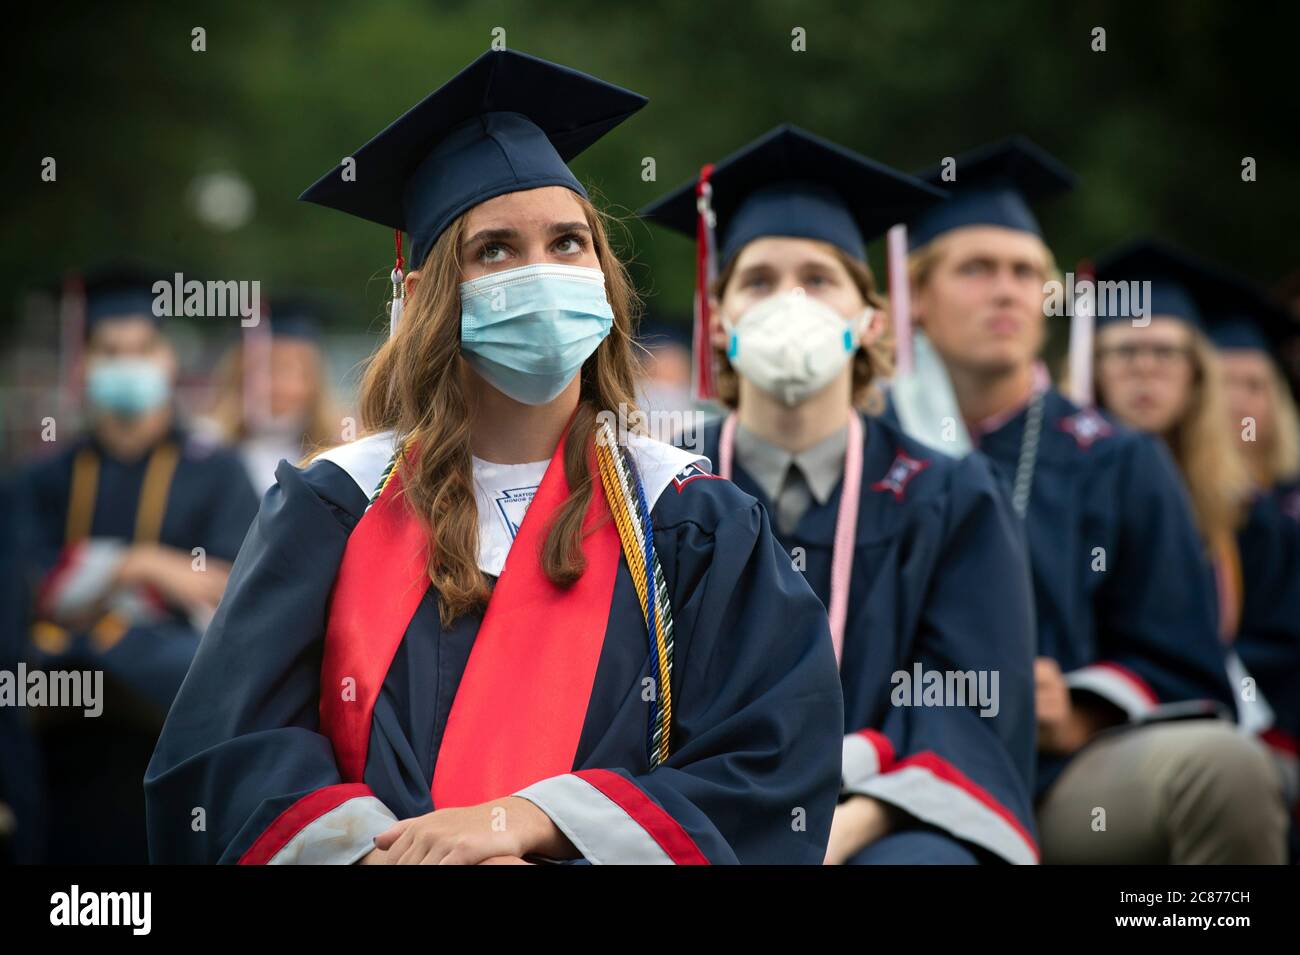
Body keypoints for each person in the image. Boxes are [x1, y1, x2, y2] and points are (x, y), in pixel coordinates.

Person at [144, 50, 844, 866]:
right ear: (435, 297)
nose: (542, 272)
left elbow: (768, 759)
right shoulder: (334, 505)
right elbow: (227, 751)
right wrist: (384, 854)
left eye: (568, 242)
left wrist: (532, 821)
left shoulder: (689, 516)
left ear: (604, 277)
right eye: (497, 250)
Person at [643, 125, 1039, 865]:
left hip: (878, 822)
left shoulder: (949, 497)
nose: (789, 301)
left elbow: (967, 702)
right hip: (687, 819)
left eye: (820, 279)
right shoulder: (658, 488)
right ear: (720, 318)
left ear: (871, 321)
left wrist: (851, 825)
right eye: (759, 281)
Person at [893, 138, 1284, 863]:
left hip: (1059, 776)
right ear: (915, 295)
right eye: (976, 269)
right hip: (893, 768)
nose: (1006, 290)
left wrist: (1077, 708)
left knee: (1222, 769)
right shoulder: (872, 444)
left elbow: (1181, 655)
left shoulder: (1112, 457)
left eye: (1024, 272)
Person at [20, 266, 260, 863]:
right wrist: (146, 567)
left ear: (168, 361)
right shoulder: (43, 478)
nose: (127, 365)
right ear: (83, 366)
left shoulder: (216, 470)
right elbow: (26, 587)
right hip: (63, 742)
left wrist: (114, 570)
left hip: (170, 731)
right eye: (109, 352)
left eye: (142, 349)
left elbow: (243, 587)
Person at [1091, 239, 1298, 854]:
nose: (1145, 368)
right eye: (1125, 351)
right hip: (1096, 734)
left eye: (1165, 353)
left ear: (1195, 374)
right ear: (1093, 365)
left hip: (1226, 731)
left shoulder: (1249, 518)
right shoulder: (1057, 489)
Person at [201, 295, 344, 494]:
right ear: (237, 375)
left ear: (313, 381)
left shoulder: (338, 458)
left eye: (286, 370)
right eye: (258, 369)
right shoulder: (205, 449)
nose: (270, 385)